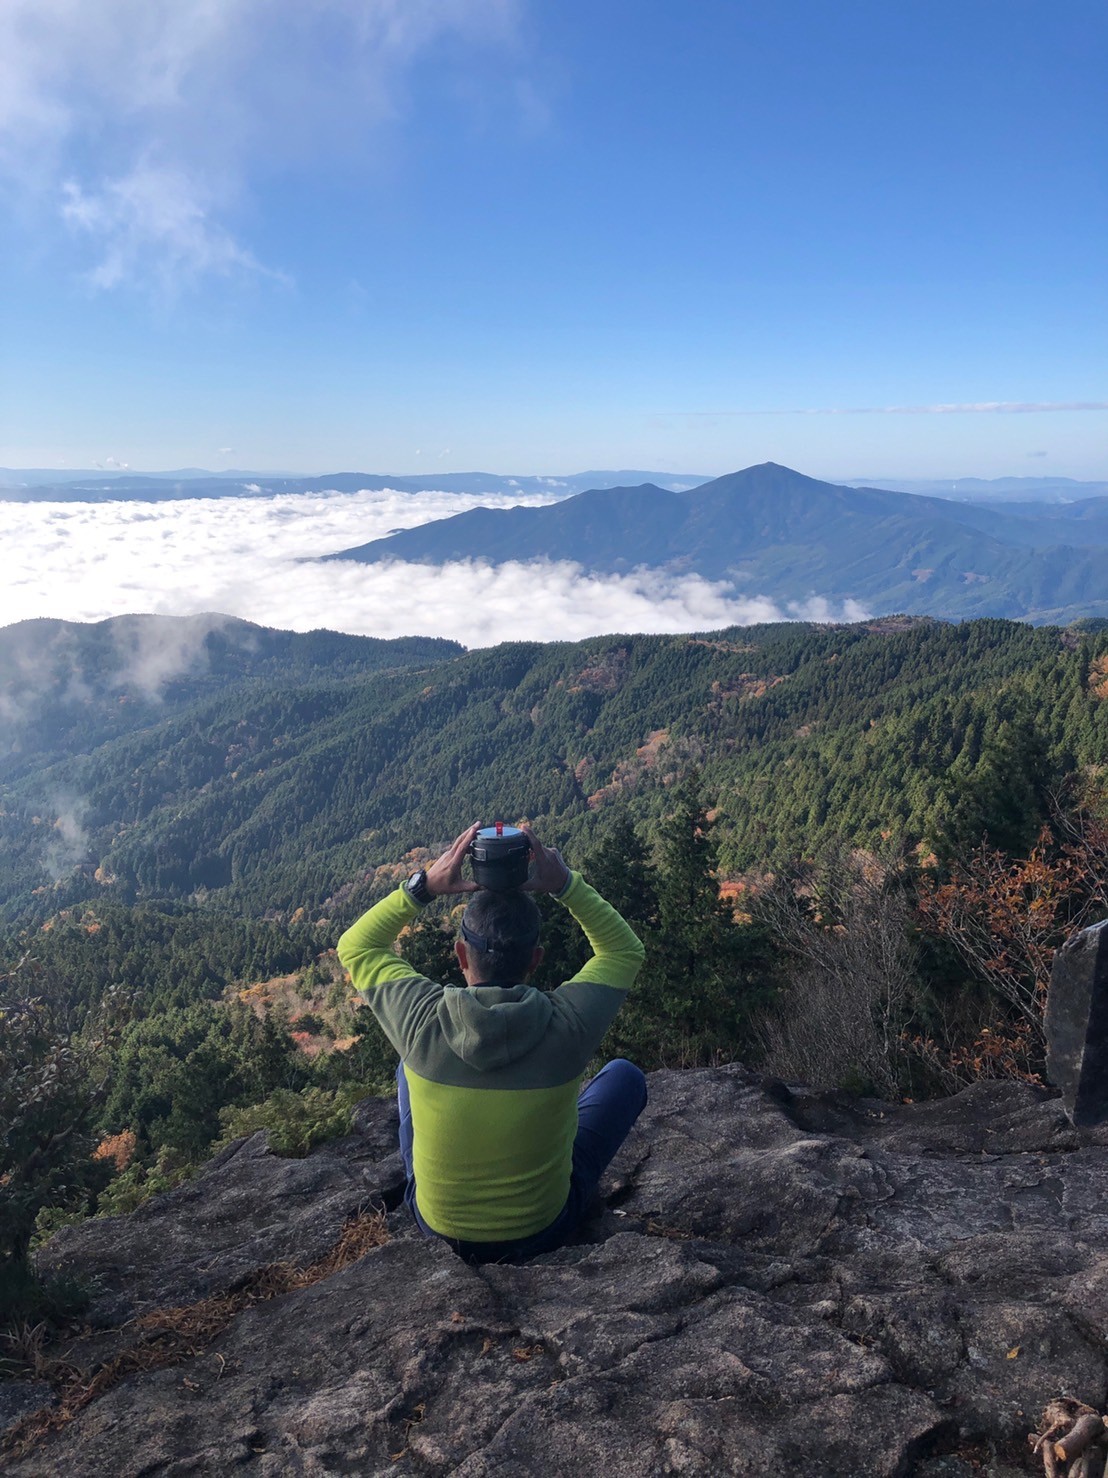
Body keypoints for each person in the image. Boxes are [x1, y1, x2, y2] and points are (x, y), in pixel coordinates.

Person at [337, 822, 647, 1263]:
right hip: (542, 1230)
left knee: (408, 1067)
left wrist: (421, 887)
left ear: (461, 956)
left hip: (437, 1228)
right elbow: (623, 952)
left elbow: (356, 948)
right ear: (536, 959)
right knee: (625, 1076)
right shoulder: (570, 1024)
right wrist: (565, 885)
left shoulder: (421, 1021)